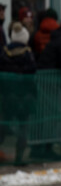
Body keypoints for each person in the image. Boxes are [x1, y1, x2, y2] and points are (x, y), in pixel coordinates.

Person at [0, 22, 37, 164]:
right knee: (23, 127)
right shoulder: (27, 53)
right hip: (25, 95)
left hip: (8, 94)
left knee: (4, 124)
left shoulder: (5, 52)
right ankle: (19, 157)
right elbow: (32, 70)